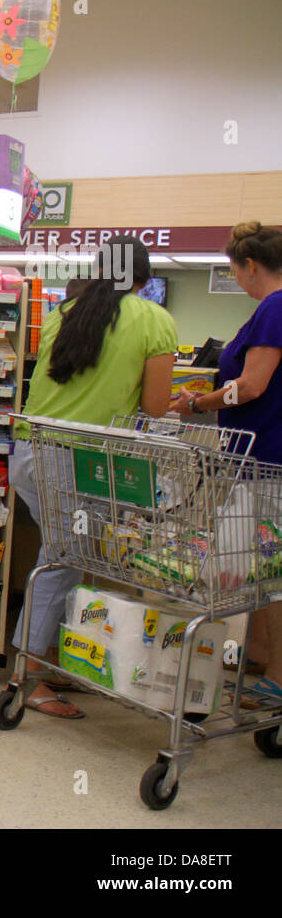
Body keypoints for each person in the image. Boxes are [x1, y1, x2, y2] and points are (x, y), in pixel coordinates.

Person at [11, 236, 177, 719]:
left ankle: (59, 658)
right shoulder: (153, 320)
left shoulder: (65, 313)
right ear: (144, 280)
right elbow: (155, 406)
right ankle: (28, 677)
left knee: (69, 556)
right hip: (78, 461)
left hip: (29, 450)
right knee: (63, 560)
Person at [170, 221, 282, 705]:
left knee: (267, 568)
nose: (237, 280)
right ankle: (258, 651)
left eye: (236, 272)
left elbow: (251, 386)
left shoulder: (275, 306)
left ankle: (278, 675)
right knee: (259, 565)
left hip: (269, 458)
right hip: (260, 457)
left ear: (251, 265)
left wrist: (199, 404)